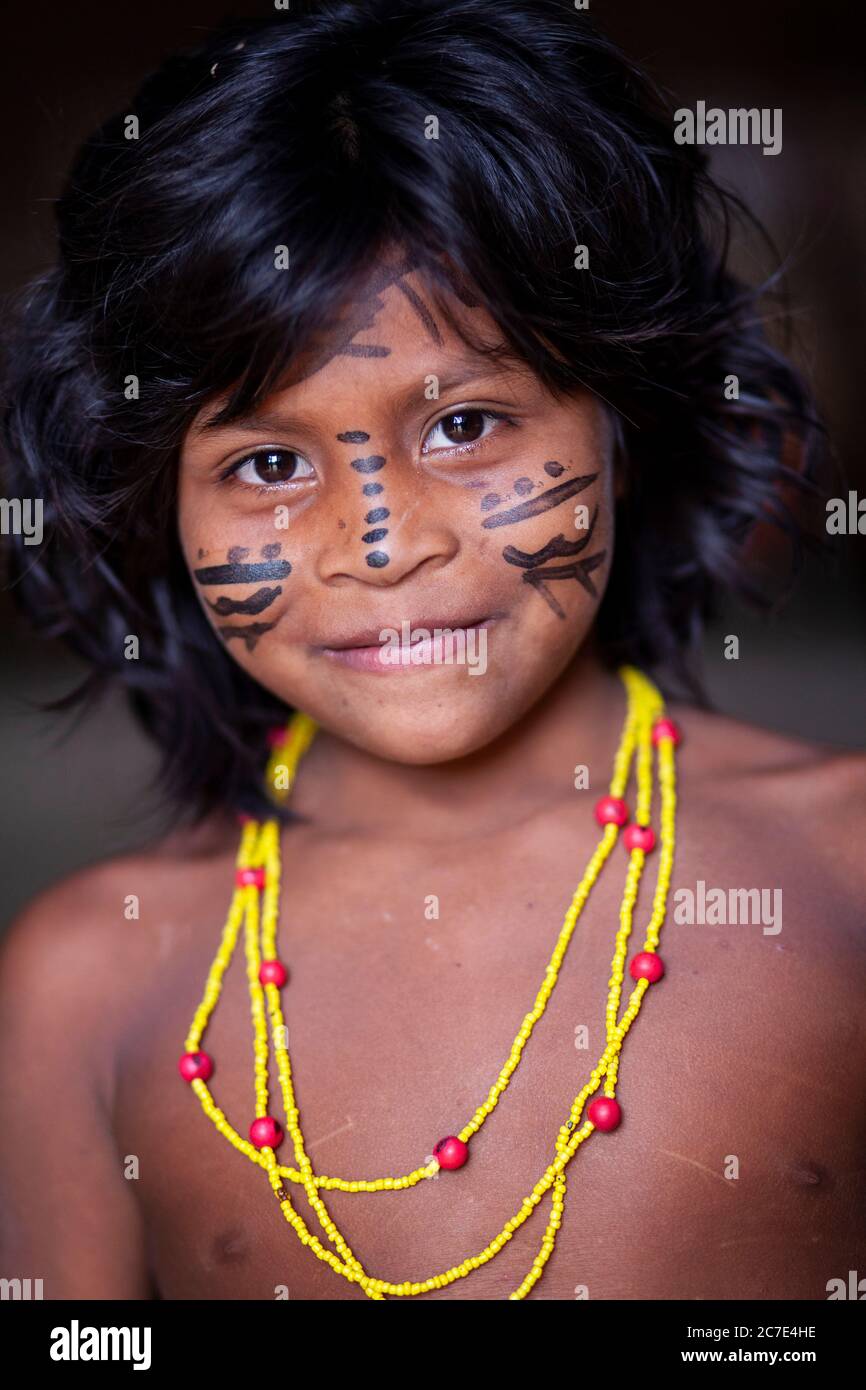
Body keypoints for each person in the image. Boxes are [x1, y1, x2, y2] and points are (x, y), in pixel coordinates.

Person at [0, 0, 863, 1301]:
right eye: (268, 461)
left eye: (464, 423)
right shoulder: (88, 976)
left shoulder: (842, 870)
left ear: (622, 420)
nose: (381, 543)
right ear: (156, 508)